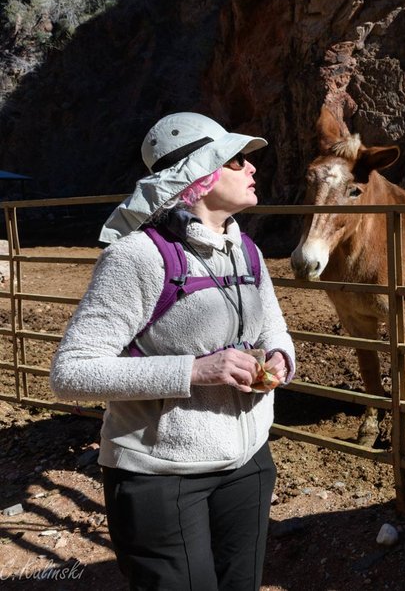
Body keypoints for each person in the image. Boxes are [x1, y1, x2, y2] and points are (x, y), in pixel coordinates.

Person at [50, 112, 295, 590]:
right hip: (162, 476)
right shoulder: (136, 257)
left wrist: (280, 356)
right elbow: (71, 372)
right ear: (198, 177)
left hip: (248, 463)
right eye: (236, 160)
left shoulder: (245, 248)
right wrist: (196, 371)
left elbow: (273, 326)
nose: (251, 167)